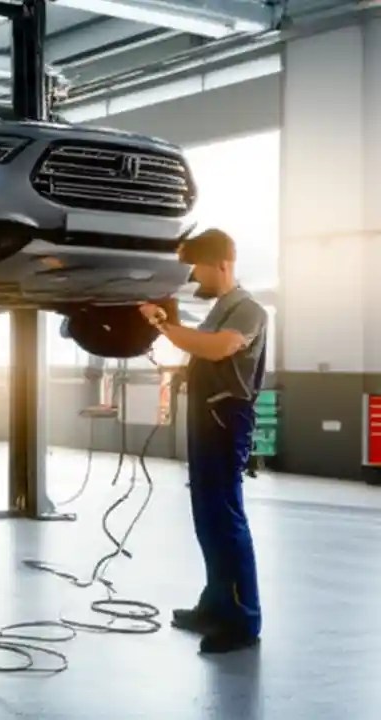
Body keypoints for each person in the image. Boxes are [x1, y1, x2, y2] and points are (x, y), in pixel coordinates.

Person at [138, 228, 267, 655]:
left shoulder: (249, 310)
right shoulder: (220, 309)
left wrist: (165, 326)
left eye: (199, 270)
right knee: (207, 516)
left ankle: (243, 620)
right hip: (206, 417)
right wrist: (168, 326)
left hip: (226, 419)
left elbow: (217, 349)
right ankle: (215, 605)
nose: (196, 279)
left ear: (222, 264)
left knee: (226, 517)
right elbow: (200, 340)